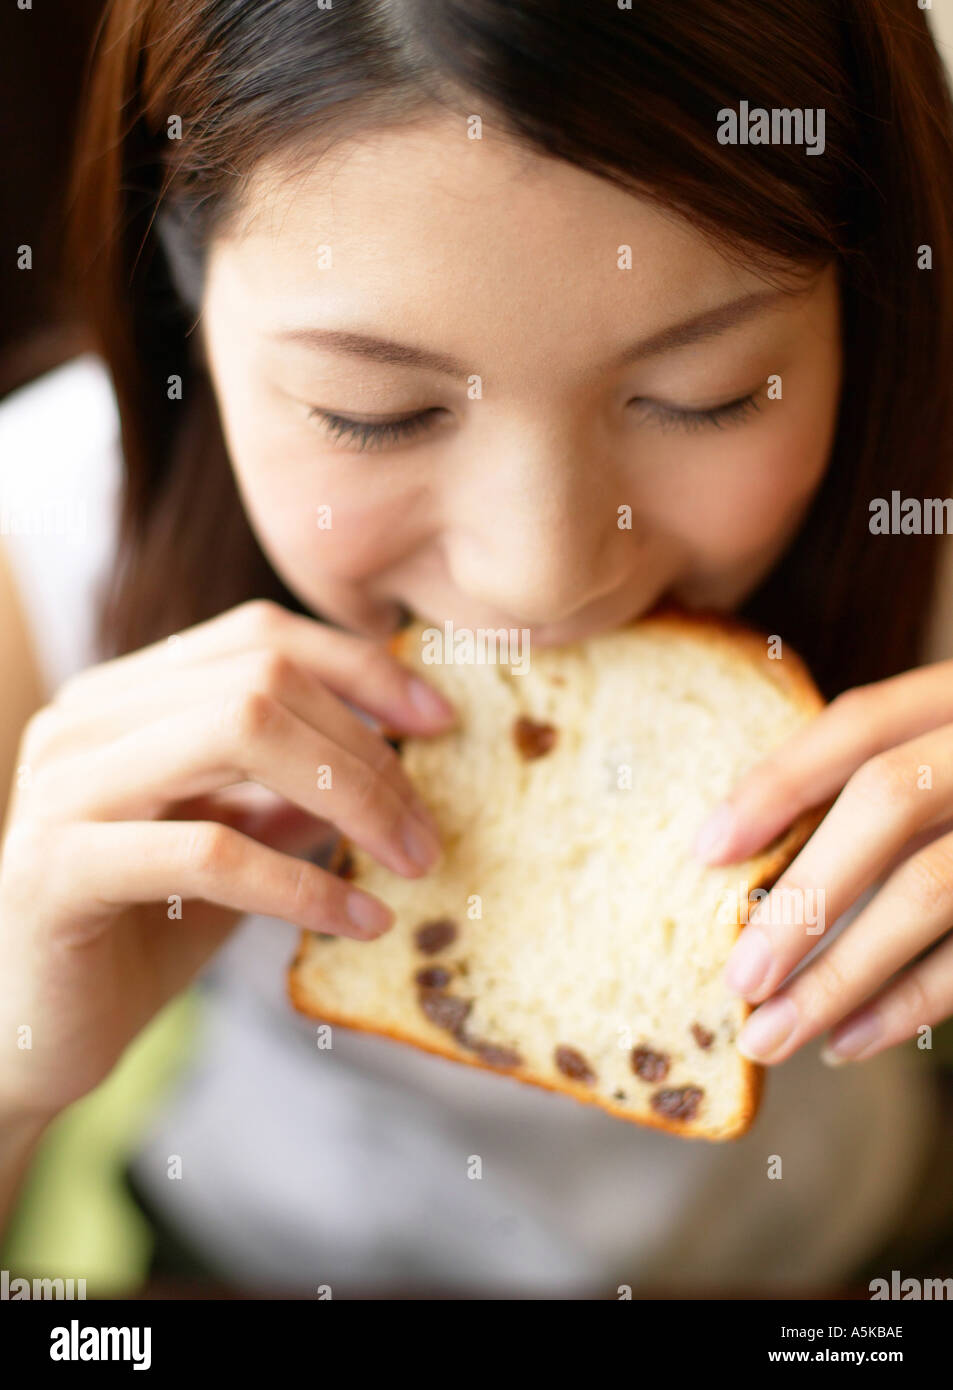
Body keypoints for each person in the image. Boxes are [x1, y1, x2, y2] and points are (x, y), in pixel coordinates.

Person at [1, 0, 953, 1296]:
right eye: (375, 413)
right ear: (185, 290)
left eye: (705, 392)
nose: (543, 574)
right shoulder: (38, 542)